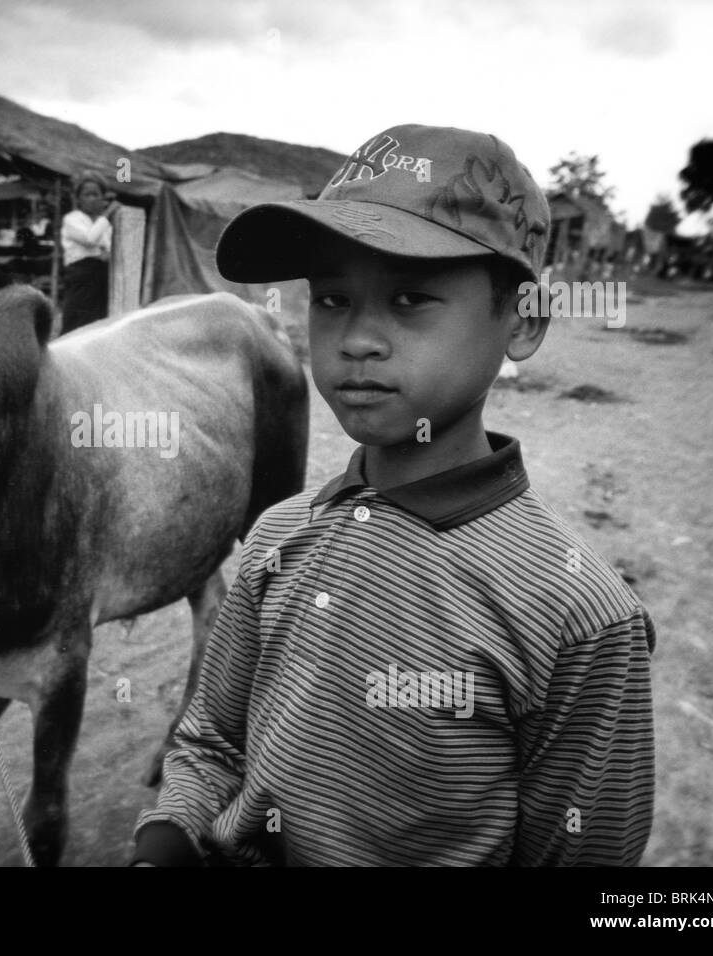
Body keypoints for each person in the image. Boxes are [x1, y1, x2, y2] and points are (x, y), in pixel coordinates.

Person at [132, 124, 656, 867]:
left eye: (410, 298)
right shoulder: (279, 538)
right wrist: (170, 838)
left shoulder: (581, 618)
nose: (357, 340)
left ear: (525, 318)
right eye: (332, 299)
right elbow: (212, 740)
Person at [59, 171, 118, 333]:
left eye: (96, 194)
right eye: (87, 195)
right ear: (78, 198)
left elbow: (108, 248)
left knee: (97, 323)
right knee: (76, 321)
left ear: (103, 198)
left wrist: (105, 253)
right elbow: (90, 239)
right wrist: (107, 215)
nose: (92, 199)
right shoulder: (72, 219)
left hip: (100, 277)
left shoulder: (105, 225)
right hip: (81, 276)